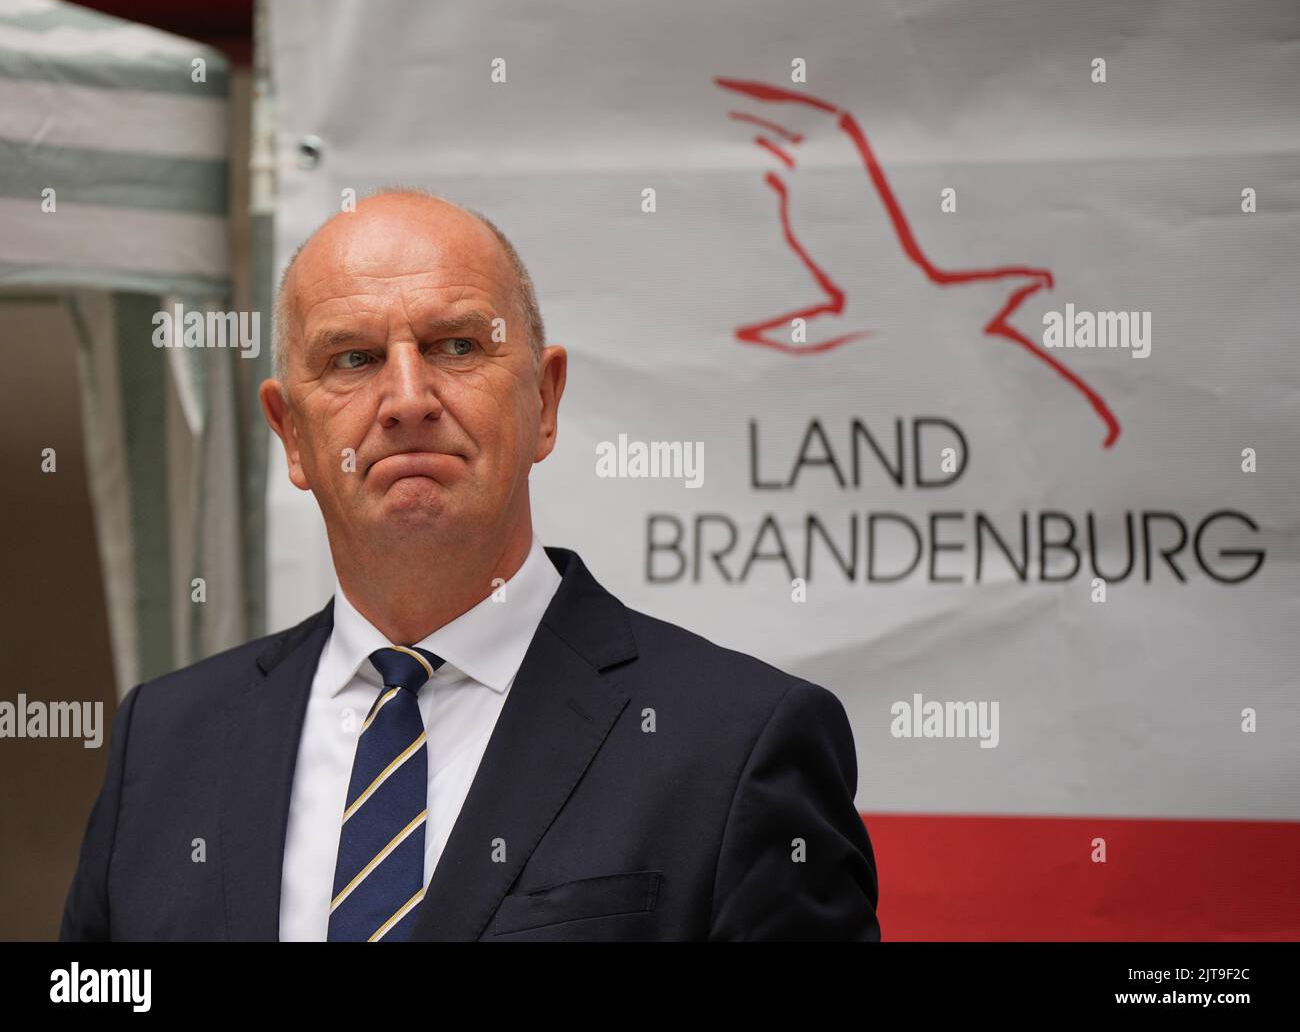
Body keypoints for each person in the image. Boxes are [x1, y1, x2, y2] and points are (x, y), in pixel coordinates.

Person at [59, 189, 881, 941]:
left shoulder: (738, 745)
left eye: (456, 345)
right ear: (291, 434)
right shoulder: (163, 746)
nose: (408, 397)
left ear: (544, 402)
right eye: (352, 358)